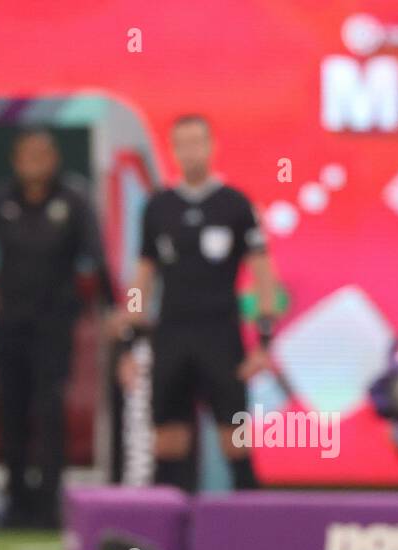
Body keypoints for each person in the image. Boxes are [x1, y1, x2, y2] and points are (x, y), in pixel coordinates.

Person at [111, 114, 279, 492]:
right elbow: (143, 278)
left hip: (221, 334)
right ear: (173, 150)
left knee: (234, 436)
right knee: (169, 439)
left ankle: (249, 527)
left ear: (211, 146)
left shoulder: (235, 205)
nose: (190, 152)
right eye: (182, 144)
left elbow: (264, 276)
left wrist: (264, 341)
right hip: (172, 333)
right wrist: (128, 340)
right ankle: (169, 534)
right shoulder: (158, 208)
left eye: (197, 142)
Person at [0, 127, 114, 527]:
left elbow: (96, 258)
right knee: (11, 409)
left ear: (54, 159)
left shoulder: (73, 201)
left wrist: (112, 308)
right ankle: (16, 503)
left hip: (54, 322)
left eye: (43, 153)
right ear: (16, 159)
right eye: (27, 153)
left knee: (50, 410)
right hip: (8, 320)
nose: (35, 161)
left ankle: (50, 507)